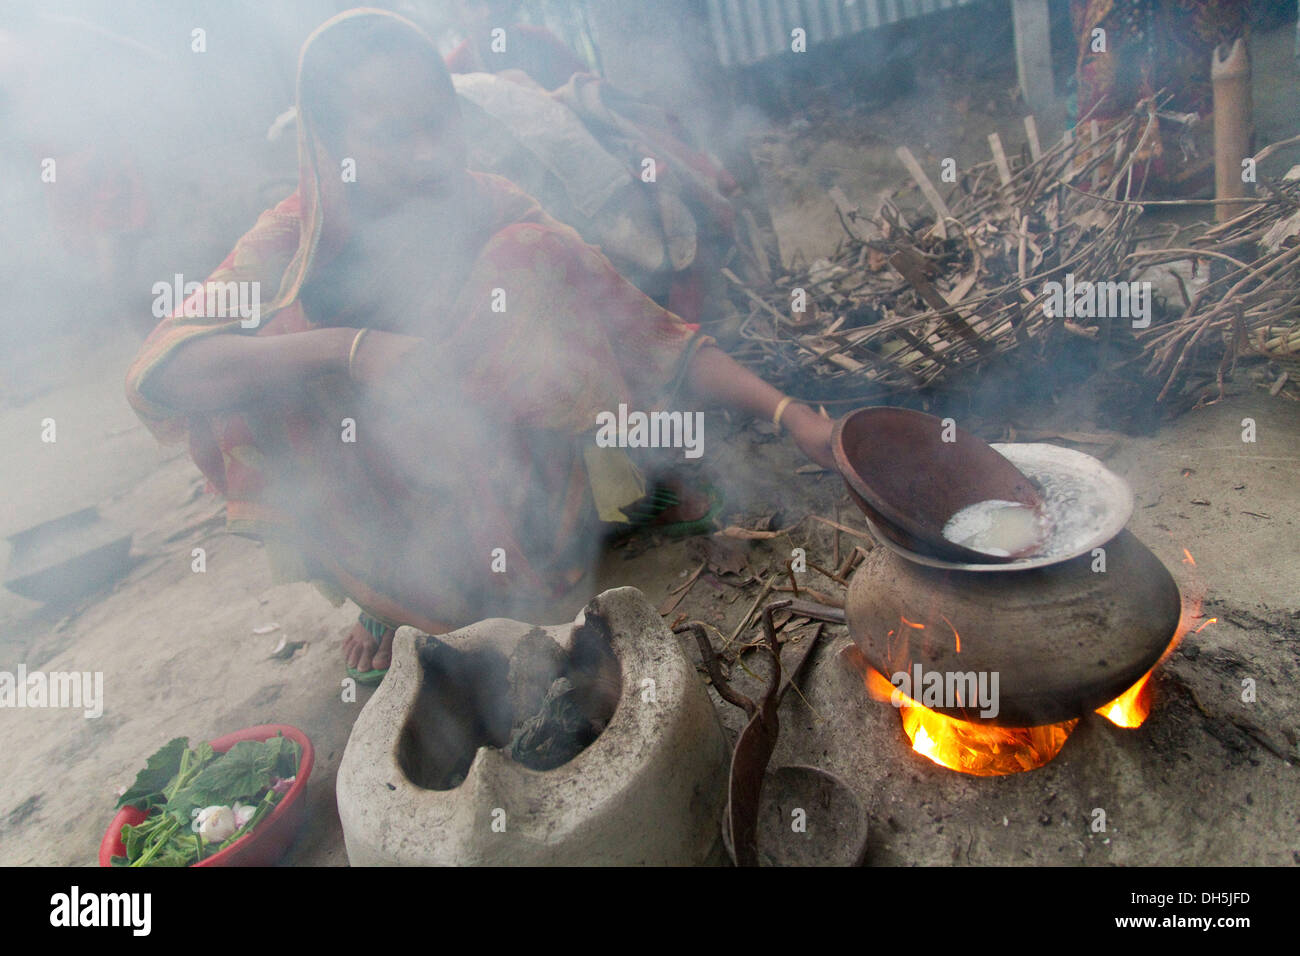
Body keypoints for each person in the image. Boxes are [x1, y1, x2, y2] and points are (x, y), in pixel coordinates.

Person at [125, 8, 832, 682]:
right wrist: (352, 349)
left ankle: (593, 511)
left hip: (512, 476)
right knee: (263, 355)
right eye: (396, 133)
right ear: (332, 143)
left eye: (440, 120)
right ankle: (387, 593)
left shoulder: (486, 203)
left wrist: (788, 415)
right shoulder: (288, 242)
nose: (431, 151)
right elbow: (162, 371)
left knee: (532, 258)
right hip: (391, 496)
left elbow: (637, 324)